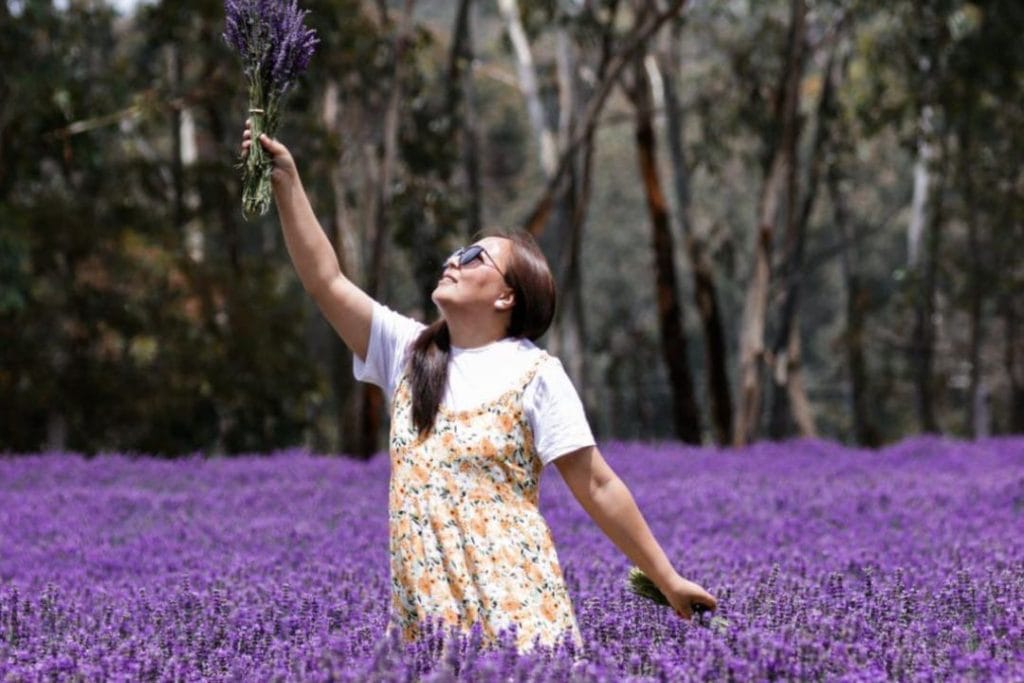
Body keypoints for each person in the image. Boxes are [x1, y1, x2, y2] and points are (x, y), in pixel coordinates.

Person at [241, 123, 718, 654]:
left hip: (518, 612)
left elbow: (598, 486)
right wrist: (288, 184)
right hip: (427, 620)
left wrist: (667, 578)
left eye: (474, 258)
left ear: (506, 297)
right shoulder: (409, 354)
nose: (453, 260)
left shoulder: (535, 375)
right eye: (455, 252)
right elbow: (326, 281)